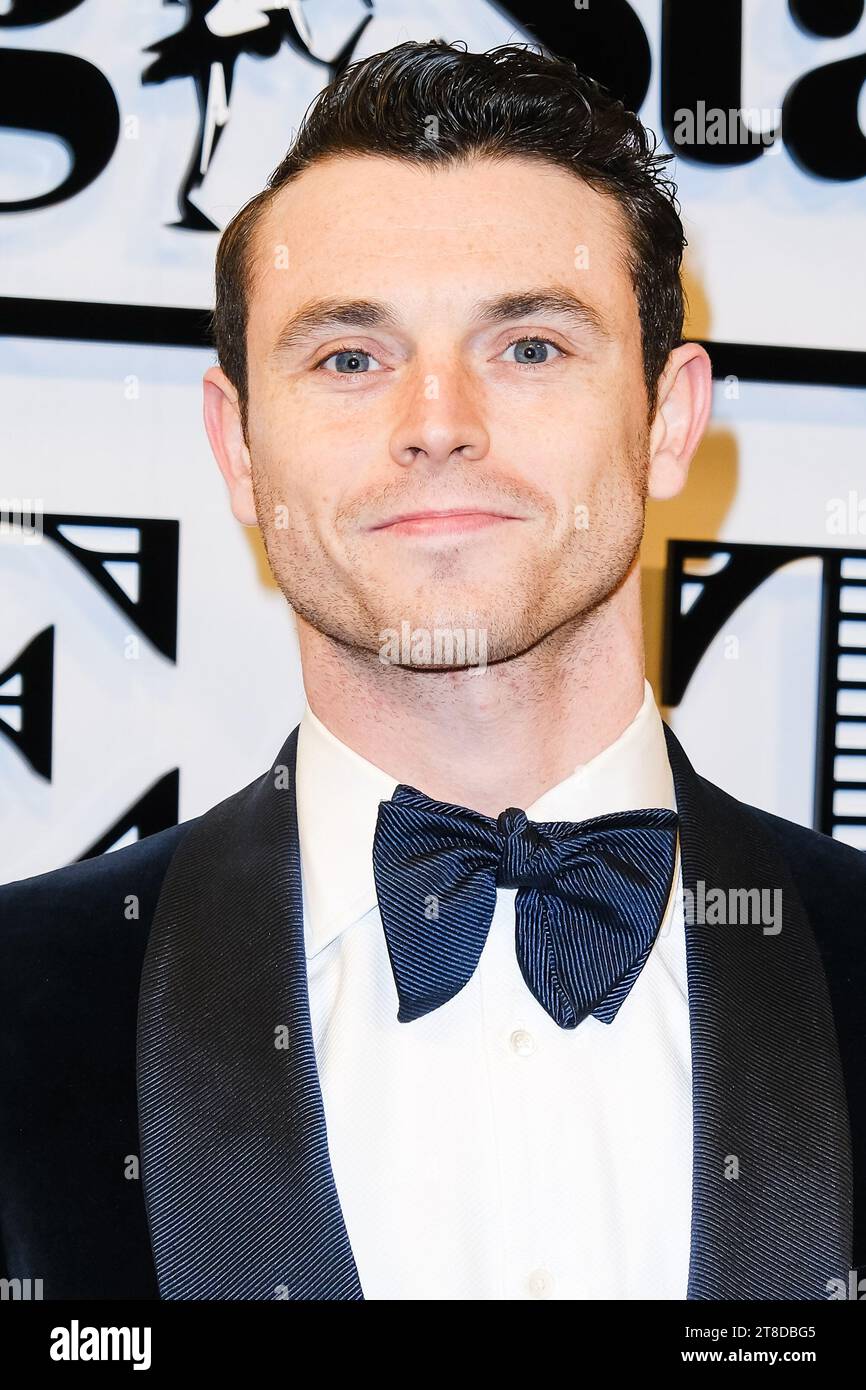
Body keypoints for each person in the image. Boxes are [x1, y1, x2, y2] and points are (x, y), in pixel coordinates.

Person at [1, 40, 863, 1302]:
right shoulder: (22, 1006)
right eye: (350, 357)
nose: (436, 418)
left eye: (528, 346)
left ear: (668, 419)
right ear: (236, 446)